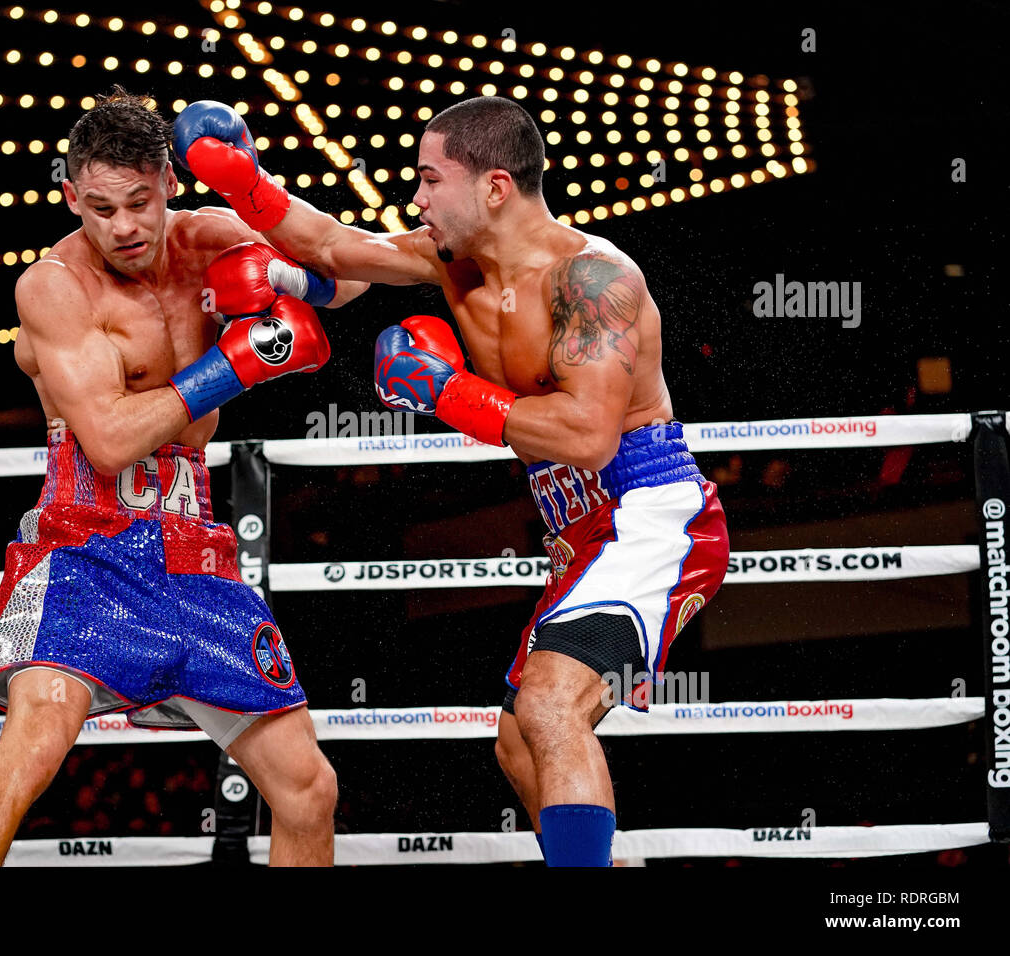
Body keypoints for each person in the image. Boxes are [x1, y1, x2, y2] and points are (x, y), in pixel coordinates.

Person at [174, 95, 729, 866]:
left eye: (431, 180)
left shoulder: (594, 277)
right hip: (577, 533)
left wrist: (445, 392)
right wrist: (245, 182)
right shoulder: (451, 261)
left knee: (550, 705)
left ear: (494, 188)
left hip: (648, 512)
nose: (417, 198)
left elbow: (588, 436)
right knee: (517, 746)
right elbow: (335, 246)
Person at [0, 88, 367, 867]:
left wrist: (264, 207)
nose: (124, 227)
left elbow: (350, 273)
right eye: (100, 208)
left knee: (310, 788)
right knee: (28, 755)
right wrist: (240, 363)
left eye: (140, 201)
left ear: (171, 181)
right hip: (83, 548)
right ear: (72, 196)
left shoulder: (210, 239)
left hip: (193, 545)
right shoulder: (54, 287)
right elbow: (105, 440)